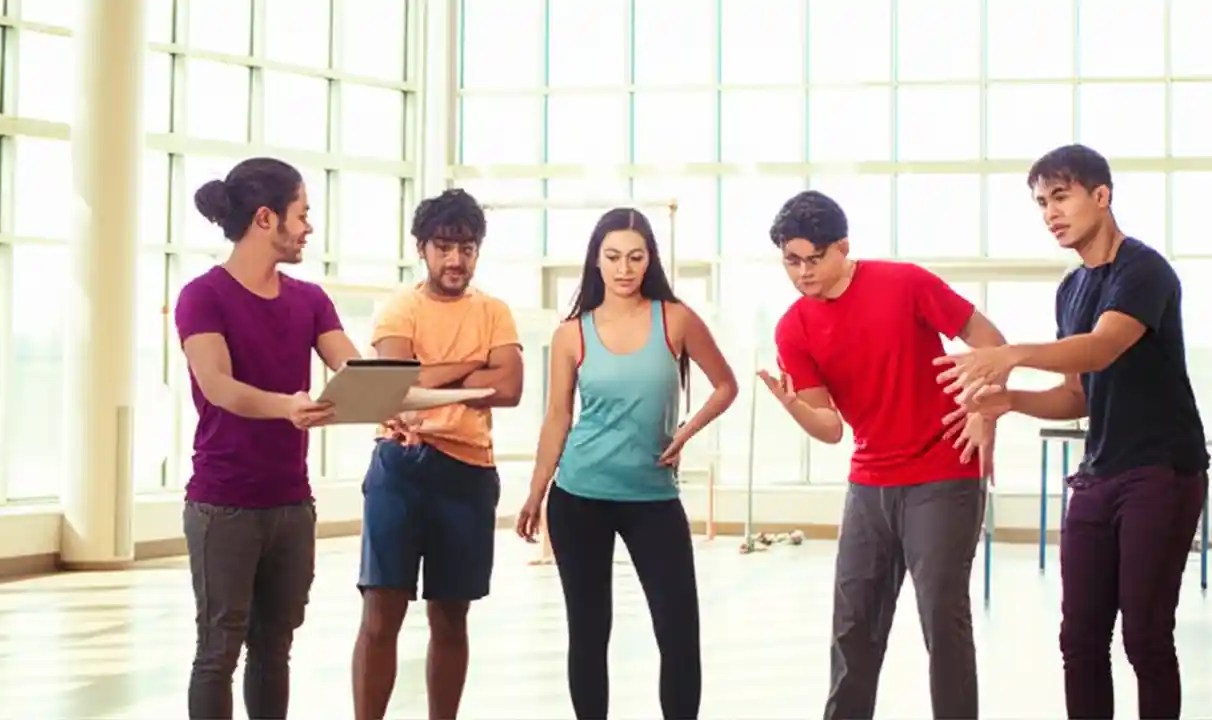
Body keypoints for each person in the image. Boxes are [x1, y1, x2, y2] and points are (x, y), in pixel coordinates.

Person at [933, 143, 1209, 720]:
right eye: (1041, 203)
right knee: (1079, 641)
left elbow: (1103, 347)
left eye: (1061, 197)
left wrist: (1012, 354)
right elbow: (1077, 394)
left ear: (1101, 196)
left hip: (1162, 470)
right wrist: (1010, 401)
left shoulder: (1144, 270)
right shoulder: (1070, 288)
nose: (1050, 213)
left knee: (1145, 637)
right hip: (1098, 475)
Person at [761, 190, 1009, 720]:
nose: (803, 273)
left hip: (943, 470)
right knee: (853, 626)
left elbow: (990, 341)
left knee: (942, 616)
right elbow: (830, 428)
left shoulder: (906, 283)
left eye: (814, 258)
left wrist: (982, 412)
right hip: (870, 482)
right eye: (791, 261)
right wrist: (792, 406)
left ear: (843, 247)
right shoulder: (793, 327)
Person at [515, 208, 738, 720]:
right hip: (579, 496)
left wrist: (685, 433)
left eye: (635, 257)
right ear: (596, 260)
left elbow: (726, 385)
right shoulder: (571, 333)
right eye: (613, 256)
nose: (624, 268)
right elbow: (557, 417)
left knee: (679, 632)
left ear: (650, 260)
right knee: (589, 633)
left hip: (653, 499)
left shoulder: (675, 319)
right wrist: (535, 492)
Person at [174, 157, 361, 719]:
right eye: (301, 214)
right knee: (218, 651)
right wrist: (288, 406)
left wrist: (393, 406)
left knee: (275, 650)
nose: (308, 227)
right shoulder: (202, 296)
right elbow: (218, 386)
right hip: (223, 505)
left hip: (291, 504)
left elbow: (353, 368)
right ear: (265, 218)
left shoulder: (310, 299)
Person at [351, 188, 524, 720]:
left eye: (466, 249)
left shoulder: (494, 311)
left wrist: (431, 376)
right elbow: (396, 387)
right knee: (382, 613)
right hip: (402, 466)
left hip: (468, 471)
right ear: (422, 248)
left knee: (451, 617)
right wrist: (473, 367)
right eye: (444, 247)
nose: (455, 260)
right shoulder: (400, 307)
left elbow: (510, 387)